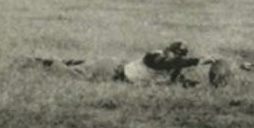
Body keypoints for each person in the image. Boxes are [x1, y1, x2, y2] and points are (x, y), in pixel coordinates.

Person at [32, 41, 216, 87]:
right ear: (168, 50)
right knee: (67, 73)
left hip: (114, 69)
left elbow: (176, 80)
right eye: (173, 52)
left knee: (76, 66)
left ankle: (50, 60)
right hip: (110, 69)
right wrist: (197, 61)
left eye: (177, 54)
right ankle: (41, 61)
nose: (173, 56)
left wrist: (200, 84)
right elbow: (161, 65)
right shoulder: (156, 55)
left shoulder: (174, 65)